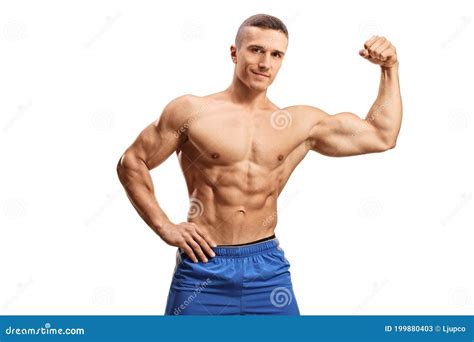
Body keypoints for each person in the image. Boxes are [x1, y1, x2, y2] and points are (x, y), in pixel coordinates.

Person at [116, 13, 402, 315]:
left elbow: (382, 135)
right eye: (256, 50)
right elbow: (132, 162)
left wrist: (389, 68)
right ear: (234, 53)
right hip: (202, 265)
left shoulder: (299, 122)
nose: (265, 63)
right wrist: (164, 226)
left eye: (276, 54)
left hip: (267, 270)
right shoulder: (191, 111)